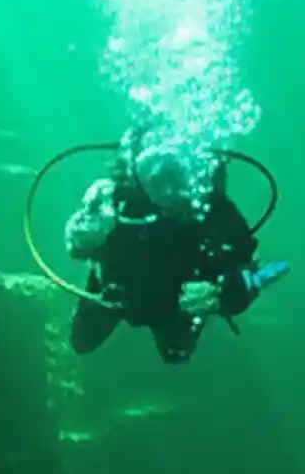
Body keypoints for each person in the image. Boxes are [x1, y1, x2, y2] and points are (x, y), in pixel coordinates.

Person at [63, 128, 289, 363]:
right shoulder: (118, 201)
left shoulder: (212, 208)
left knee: (177, 353)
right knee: (81, 342)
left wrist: (221, 295)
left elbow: (246, 261)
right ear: (141, 173)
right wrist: (86, 234)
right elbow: (75, 245)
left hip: (175, 300)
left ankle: (194, 319)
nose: (168, 191)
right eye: (158, 179)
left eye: (176, 176)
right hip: (119, 290)